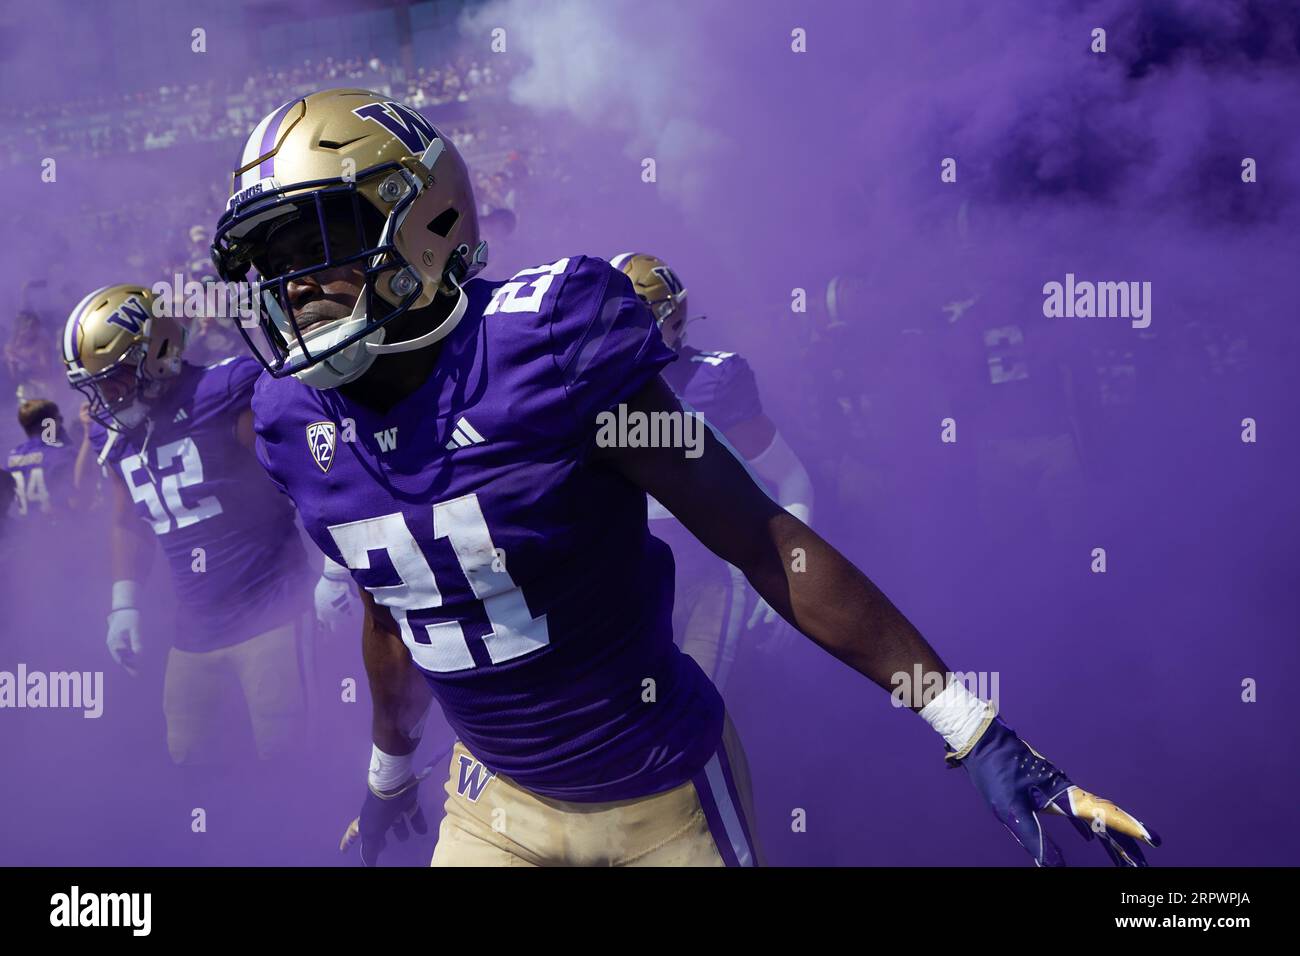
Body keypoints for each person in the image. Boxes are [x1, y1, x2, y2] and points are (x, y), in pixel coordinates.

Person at [214, 88, 1159, 867]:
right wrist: (388, 776)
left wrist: (972, 726)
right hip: (487, 803)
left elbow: (759, 536)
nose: (291, 284)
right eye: (271, 263)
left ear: (424, 219)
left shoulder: (548, 344)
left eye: (316, 243)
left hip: (658, 798)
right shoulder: (296, 422)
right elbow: (393, 613)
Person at [61, 282, 348, 765]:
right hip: (193, 631)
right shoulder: (114, 428)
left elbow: (314, 469)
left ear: (156, 354)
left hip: (274, 610)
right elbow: (126, 515)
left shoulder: (225, 390)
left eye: (114, 380)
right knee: (190, 762)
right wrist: (123, 604)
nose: (106, 399)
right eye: (97, 385)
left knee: (288, 760)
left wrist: (336, 569)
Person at [611, 252, 814, 687]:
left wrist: (793, 576)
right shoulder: (589, 388)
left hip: (709, 574)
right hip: (632, 577)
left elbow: (790, 477)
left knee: (697, 707)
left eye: (634, 318)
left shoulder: (713, 381)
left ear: (671, 318)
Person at [6, 398, 79, 520]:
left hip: (23, 531)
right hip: (59, 528)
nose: (62, 423)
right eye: (59, 418)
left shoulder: (9, 459)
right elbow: (77, 498)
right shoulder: (64, 454)